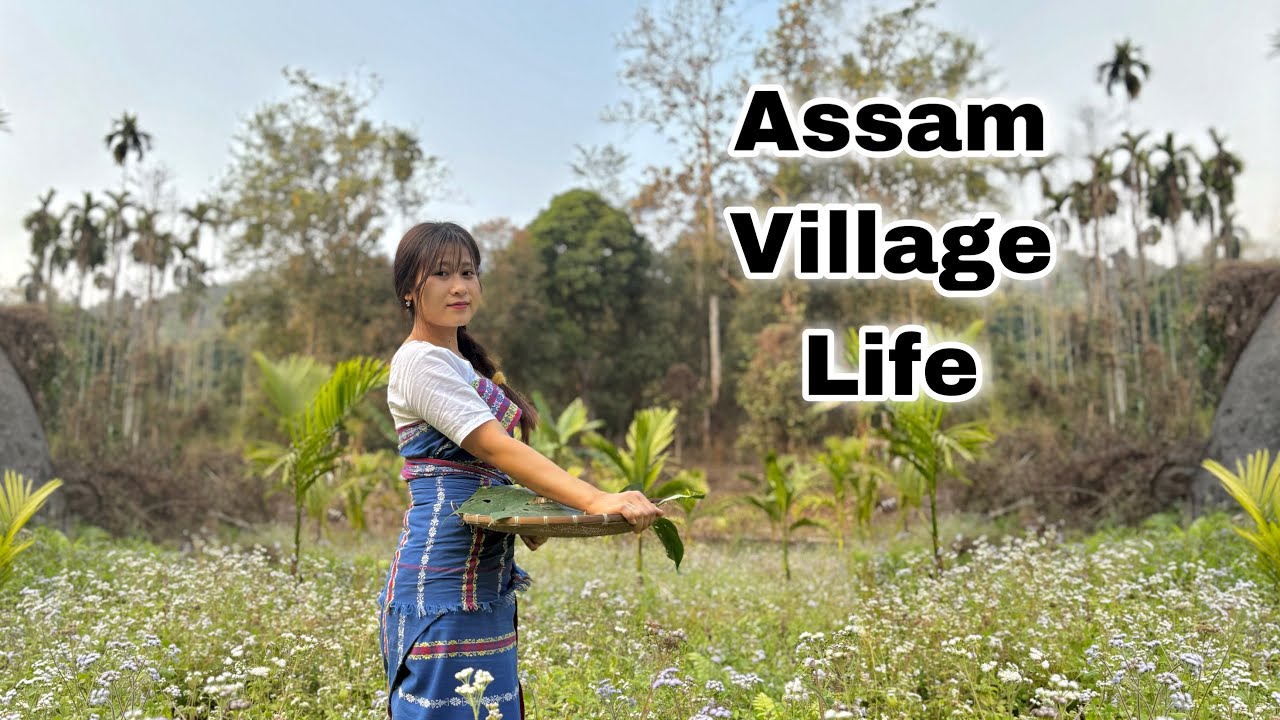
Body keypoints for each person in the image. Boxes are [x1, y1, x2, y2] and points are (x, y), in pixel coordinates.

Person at [376, 221, 665, 719]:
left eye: (468, 272)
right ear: (408, 288)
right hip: (441, 587)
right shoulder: (419, 362)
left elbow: (483, 471)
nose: (459, 286)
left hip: (486, 582)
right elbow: (495, 448)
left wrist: (526, 514)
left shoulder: (461, 365)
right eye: (441, 274)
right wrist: (597, 499)